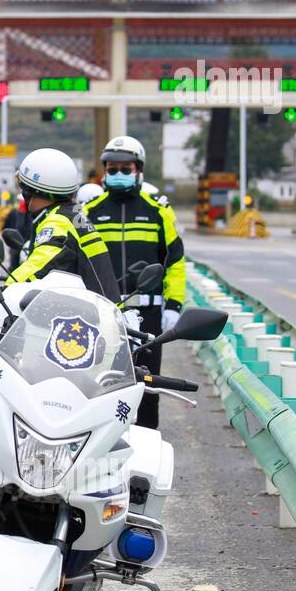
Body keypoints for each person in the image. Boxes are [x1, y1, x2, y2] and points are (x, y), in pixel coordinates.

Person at [81, 135, 186, 429]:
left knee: (147, 388)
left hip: (149, 316)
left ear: (138, 170)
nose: (117, 174)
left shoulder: (158, 212)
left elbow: (175, 263)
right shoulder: (89, 213)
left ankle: (146, 452)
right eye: (111, 169)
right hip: (101, 314)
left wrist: (174, 305)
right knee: (100, 387)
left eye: (125, 169)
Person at [4, 148, 119, 301]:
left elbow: (40, 263)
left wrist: (5, 291)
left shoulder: (58, 221)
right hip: (102, 309)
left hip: (89, 314)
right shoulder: (74, 214)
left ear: (29, 190)